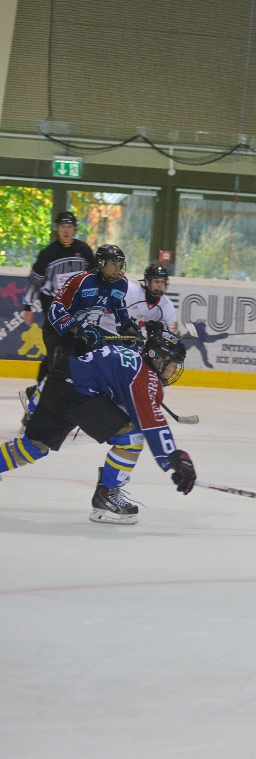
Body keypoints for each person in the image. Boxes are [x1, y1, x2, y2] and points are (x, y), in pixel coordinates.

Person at [0, 329, 196, 524]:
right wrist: (174, 459)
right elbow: (152, 423)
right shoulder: (145, 377)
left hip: (56, 383)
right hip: (78, 392)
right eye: (172, 365)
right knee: (131, 438)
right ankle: (106, 495)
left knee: (33, 447)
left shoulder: (132, 358)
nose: (173, 371)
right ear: (157, 358)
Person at [20, 211, 94, 415]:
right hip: (54, 315)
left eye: (69, 227)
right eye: (62, 227)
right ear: (57, 230)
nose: (66, 231)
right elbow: (34, 280)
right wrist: (28, 307)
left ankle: (39, 397)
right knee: (58, 356)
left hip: (77, 318)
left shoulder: (84, 250)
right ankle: (37, 405)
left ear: (75, 229)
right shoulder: (48, 253)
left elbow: (95, 278)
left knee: (67, 358)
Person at [101, 263, 177, 337]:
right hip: (108, 333)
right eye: (156, 281)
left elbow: (171, 331)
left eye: (162, 281)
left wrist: (161, 327)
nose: (160, 285)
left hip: (133, 342)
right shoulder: (129, 290)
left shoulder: (166, 304)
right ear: (147, 281)